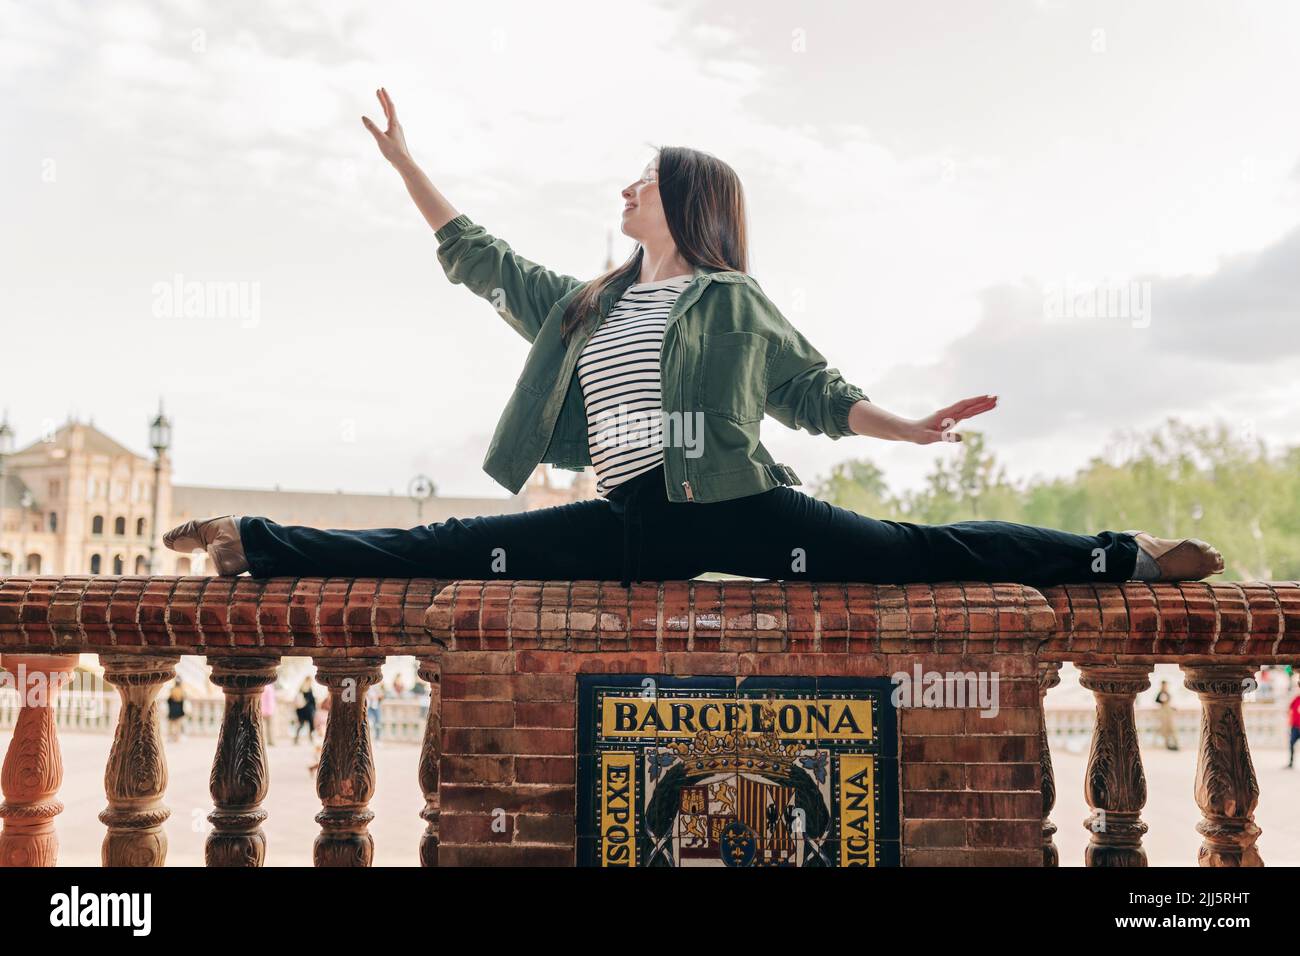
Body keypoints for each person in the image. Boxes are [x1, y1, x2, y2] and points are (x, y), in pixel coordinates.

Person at [161, 89, 1225, 591]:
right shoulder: (586, 305)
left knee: (918, 553)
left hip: (749, 508)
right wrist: (405, 166)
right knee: (445, 546)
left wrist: (906, 426)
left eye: (641, 178)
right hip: (627, 522)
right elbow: (479, 256)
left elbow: (814, 388)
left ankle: (1122, 554)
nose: (624, 188)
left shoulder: (733, 300)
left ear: (680, 198)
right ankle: (253, 539)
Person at [1153, 680, 1178, 751]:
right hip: (1164, 713)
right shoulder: (1161, 693)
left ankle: (1173, 744)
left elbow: (1168, 703)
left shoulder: (1166, 693)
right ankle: (1167, 744)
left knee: (1170, 728)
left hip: (1168, 712)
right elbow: (1158, 701)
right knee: (1164, 728)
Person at [293, 677, 317, 745]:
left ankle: (296, 738)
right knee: (310, 724)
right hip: (308, 710)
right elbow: (312, 700)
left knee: (301, 724)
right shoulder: (309, 689)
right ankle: (310, 738)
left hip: (301, 710)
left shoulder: (301, 689)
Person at [260, 681, 277, 746]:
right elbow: (272, 700)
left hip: (263, 710)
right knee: (269, 727)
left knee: (262, 727)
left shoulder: (263, 687)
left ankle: (263, 741)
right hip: (269, 710)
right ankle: (271, 741)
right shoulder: (270, 688)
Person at [1288, 690, 1300, 769]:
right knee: (1291, 743)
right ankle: (1291, 762)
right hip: (1295, 726)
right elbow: (1290, 709)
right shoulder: (1296, 699)